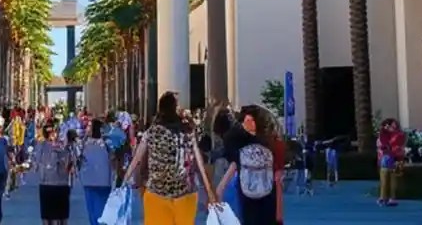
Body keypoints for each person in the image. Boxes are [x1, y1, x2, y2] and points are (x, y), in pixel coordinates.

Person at [124, 91, 217, 225]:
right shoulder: (187, 132)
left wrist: (124, 181)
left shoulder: (152, 132)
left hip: (156, 193)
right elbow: (199, 163)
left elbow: (136, 159)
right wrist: (209, 191)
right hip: (185, 193)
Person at [217, 105, 285, 225]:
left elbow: (278, 178)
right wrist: (221, 187)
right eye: (245, 121)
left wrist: (279, 212)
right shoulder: (244, 142)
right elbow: (235, 164)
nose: (246, 124)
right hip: (249, 195)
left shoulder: (272, 144)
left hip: (262, 195)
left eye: (250, 120)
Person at [34, 122, 75, 225]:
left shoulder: (40, 146)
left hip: (47, 185)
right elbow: (70, 166)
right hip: (61, 185)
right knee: (61, 217)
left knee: (48, 216)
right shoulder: (64, 147)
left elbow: (36, 165)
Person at [79, 119, 117, 225]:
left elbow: (79, 156)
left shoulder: (85, 143)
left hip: (88, 181)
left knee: (92, 212)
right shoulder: (107, 143)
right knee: (103, 210)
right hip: (104, 181)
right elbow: (113, 158)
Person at [377, 118, 406, 207]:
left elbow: (389, 147)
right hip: (389, 160)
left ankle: (387, 198)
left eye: (393, 126)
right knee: (387, 180)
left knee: (389, 180)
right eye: (389, 126)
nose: (390, 127)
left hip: (391, 160)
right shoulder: (387, 135)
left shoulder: (395, 136)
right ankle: (386, 198)